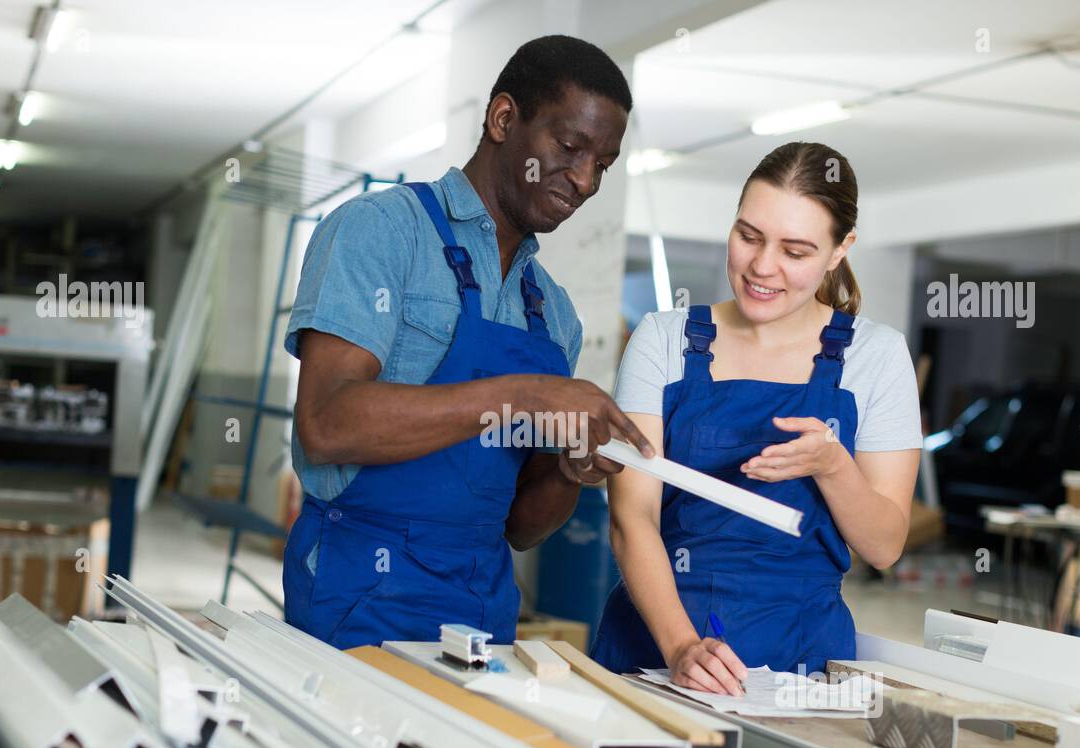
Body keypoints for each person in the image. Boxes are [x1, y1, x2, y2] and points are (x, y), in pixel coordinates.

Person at [283, 35, 652, 649]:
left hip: (480, 610)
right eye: (569, 148)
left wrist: (571, 471)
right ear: (504, 118)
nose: (586, 181)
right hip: (359, 594)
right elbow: (326, 425)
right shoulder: (380, 232)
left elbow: (520, 528)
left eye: (604, 165)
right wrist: (523, 395)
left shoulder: (552, 313)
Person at [592, 141, 922, 694]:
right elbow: (633, 518)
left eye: (795, 252)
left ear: (840, 250)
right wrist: (681, 647)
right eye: (749, 236)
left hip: (801, 661)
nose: (762, 267)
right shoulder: (664, 340)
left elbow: (884, 546)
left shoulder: (878, 357)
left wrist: (832, 466)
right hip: (654, 649)